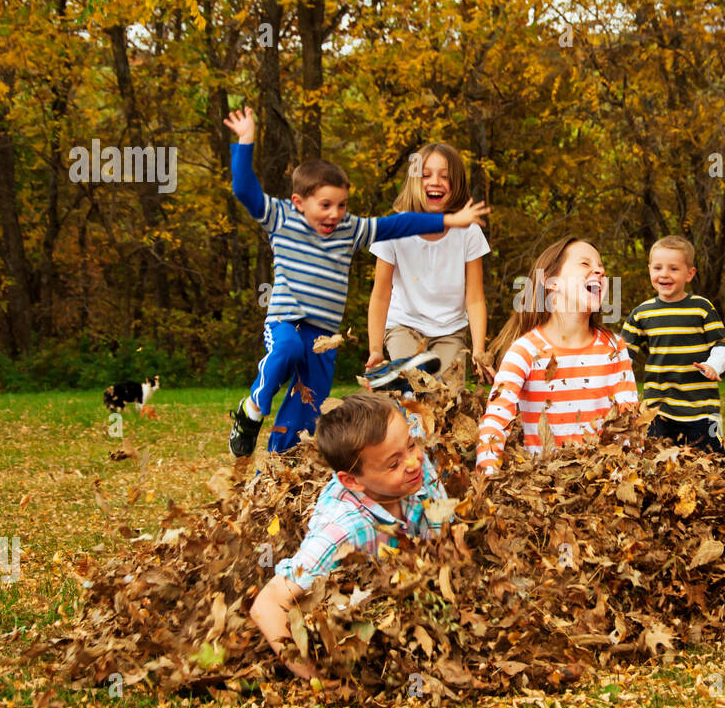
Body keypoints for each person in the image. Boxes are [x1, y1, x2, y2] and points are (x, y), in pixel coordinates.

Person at [222, 106, 488, 456]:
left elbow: (404, 231)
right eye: (326, 205)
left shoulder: (352, 229)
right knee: (290, 352)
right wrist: (245, 140)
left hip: (349, 335)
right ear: (299, 203)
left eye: (342, 205)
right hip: (337, 323)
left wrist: (449, 222)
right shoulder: (281, 218)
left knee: (313, 405)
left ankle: (281, 460)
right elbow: (244, 190)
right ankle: (254, 411)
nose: (334, 214)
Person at [249, 392, 451, 678]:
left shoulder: (410, 461)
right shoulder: (344, 532)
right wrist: (314, 678)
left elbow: (441, 520)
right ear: (351, 481)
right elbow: (267, 604)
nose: (413, 462)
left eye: (411, 445)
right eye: (393, 464)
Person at [476, 237, 638, 472]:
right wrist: (487, 476)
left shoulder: (614, 348)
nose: (600, 270)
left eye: (601, 266)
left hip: (602, 481)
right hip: (543, 485)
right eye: (585, 263)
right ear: (551, 282)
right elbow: (496, 420)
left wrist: (634, 473)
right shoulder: (525, 351)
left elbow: (630, 422)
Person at [365, 143, 493, 387]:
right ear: (414, 181)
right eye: (426, 175)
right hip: (404, 325)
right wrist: (375, 349)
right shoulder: (394, 229)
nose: (435, 181)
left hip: (450, 330)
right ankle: (400, 398)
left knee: (446, 399)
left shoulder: (469, 232)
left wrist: (479, 350)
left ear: (456, 184)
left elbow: (475, 297)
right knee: (414, 387)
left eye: (445, 176)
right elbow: (381, 294)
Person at [621, 235, 725, 454]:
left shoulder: (701, 308)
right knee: (659, 461)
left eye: (673, 269)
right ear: (649, 270)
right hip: (658, 407)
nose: (664, 274)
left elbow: (722, 344)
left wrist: (714, 365)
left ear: (689, 274)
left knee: (712, 460)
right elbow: (623, 355)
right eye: (658, 267)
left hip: (702, 404)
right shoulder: (642, 312)